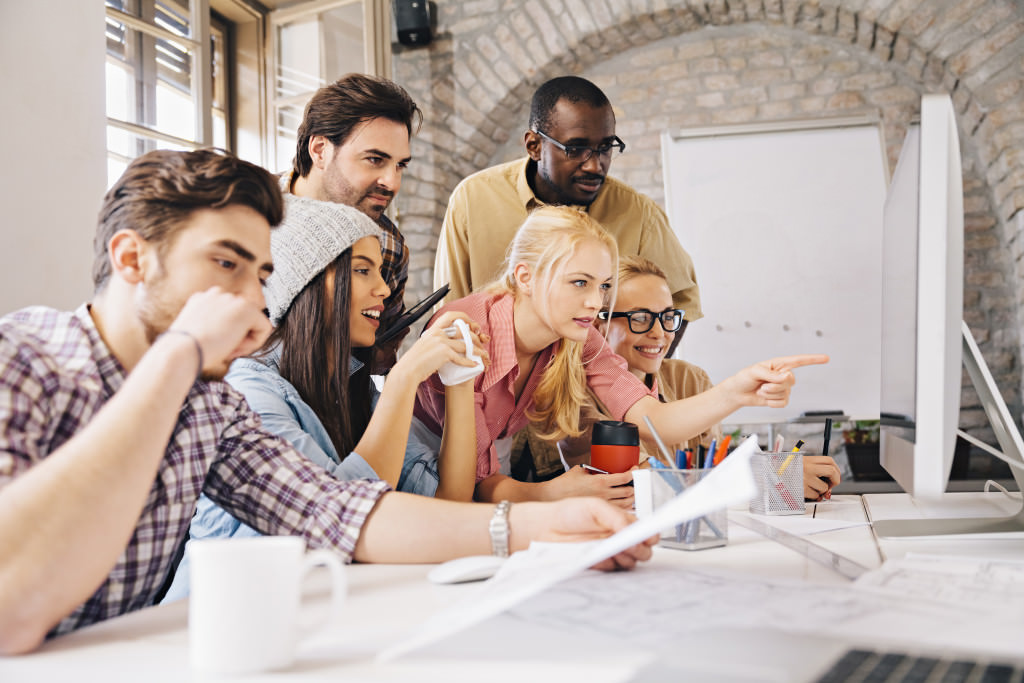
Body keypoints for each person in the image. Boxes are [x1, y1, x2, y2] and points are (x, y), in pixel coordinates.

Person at [0, 150, 655, 656]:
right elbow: (13, 605)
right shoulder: (22, 362)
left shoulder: (209, 407)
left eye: (260, 277)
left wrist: (533, 534)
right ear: (131, 258)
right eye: (226, 264)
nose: (257, 305)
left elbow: (332, 509)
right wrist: (176, 358)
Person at [161, 195, 486, 601]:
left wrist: (459, 378)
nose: (383, 288)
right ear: (306, 282)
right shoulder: (249, 390)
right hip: (208, 622)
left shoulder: (355, 389)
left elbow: (448, 504)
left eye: (380, 271)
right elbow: (334, 526)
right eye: (362, 270)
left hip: (307, 614)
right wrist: (403, 379)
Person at [415, 206, 828, 505]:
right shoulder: (467, 333)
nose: (596, 302)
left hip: (483, 468)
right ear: (525, 275)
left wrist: (738, 391)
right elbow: (462, 493)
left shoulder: (574, 334)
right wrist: (548, 494)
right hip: (422, 453)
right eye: (580, 282)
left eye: (603, 286)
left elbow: (656, 422)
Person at [433, 75, 702, 349]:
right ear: (534, 146)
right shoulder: (473, 199)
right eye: (576, 149)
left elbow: (681, 301)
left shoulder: (637, 212)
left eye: (606, 147)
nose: (595, 166)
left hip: (597, 385)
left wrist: (635, 377)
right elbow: (452, 313)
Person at [594, 256, 840, 500]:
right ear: (597, 323)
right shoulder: (579, 393)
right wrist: (771, 476)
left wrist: (775, 473)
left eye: (667, 317)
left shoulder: (688, 379)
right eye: (640, 318)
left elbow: (713, 464)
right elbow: (639, 484)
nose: (659, 333)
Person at [286, 73, 419, 370]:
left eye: (400, 166)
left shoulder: (389, 246)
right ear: (320, 150)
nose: (391, 182)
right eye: (375, 159)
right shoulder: (247, 217)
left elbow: (376, 362)